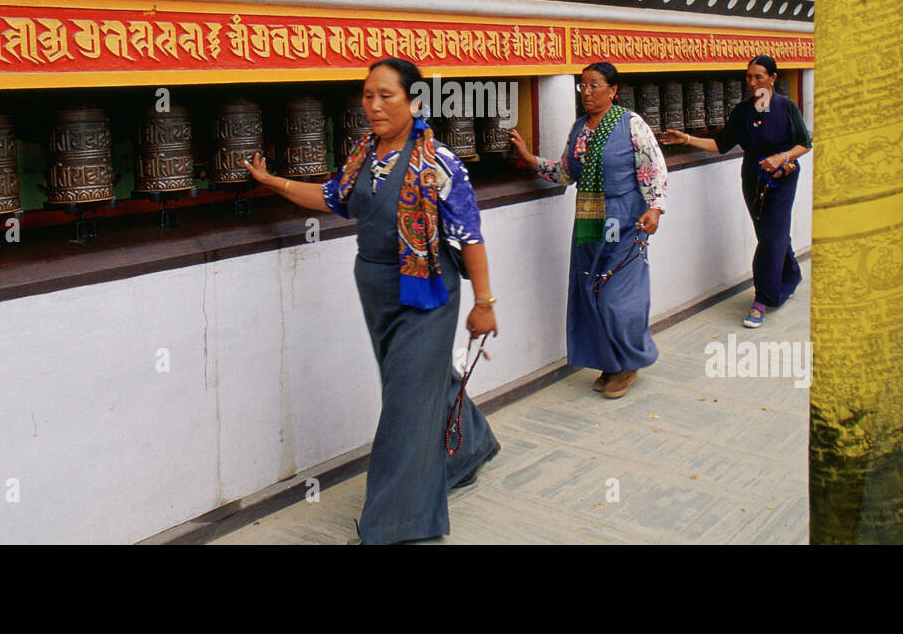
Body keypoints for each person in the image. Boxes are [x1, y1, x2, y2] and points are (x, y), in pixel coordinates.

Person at [243, 58, 500, 545]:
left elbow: (470, 236)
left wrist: (484, 301)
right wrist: (274, 182)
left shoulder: (438, 160)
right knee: (418, 385)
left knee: (404, 405)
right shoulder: (364, 153)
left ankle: (395, 527)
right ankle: (470, 446)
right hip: (377, 290)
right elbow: (334, 198)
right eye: (367, 95)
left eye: (387, 95)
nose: (374, 105)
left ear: (414, 100)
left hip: (427, 291)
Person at [509, 62, 668, 399]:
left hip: (626, 219)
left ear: (613, 90)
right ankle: (610, 363)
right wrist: (529, 158)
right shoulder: (579, 128)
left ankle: (630, 361)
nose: (587, 92)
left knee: (617, 296)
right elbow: (565, 173)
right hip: (590, 218)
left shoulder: (632, 124)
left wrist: (655, 208)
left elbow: (653, 168)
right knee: (590, 291)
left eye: (595, 85)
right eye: (582, 85)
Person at [662, 54, 812, 328]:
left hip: (781, 179)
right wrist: (686, 138)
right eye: (749, 77)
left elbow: (804, 144)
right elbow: (721, 144)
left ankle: (761, 300)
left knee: (771, 237)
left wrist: (782, 157)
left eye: (759, 77)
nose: (753, 83)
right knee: (770, 235)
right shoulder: (742, 111)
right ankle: (790, 276)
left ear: (773, 78)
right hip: (753, 180)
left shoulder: (786, 107)